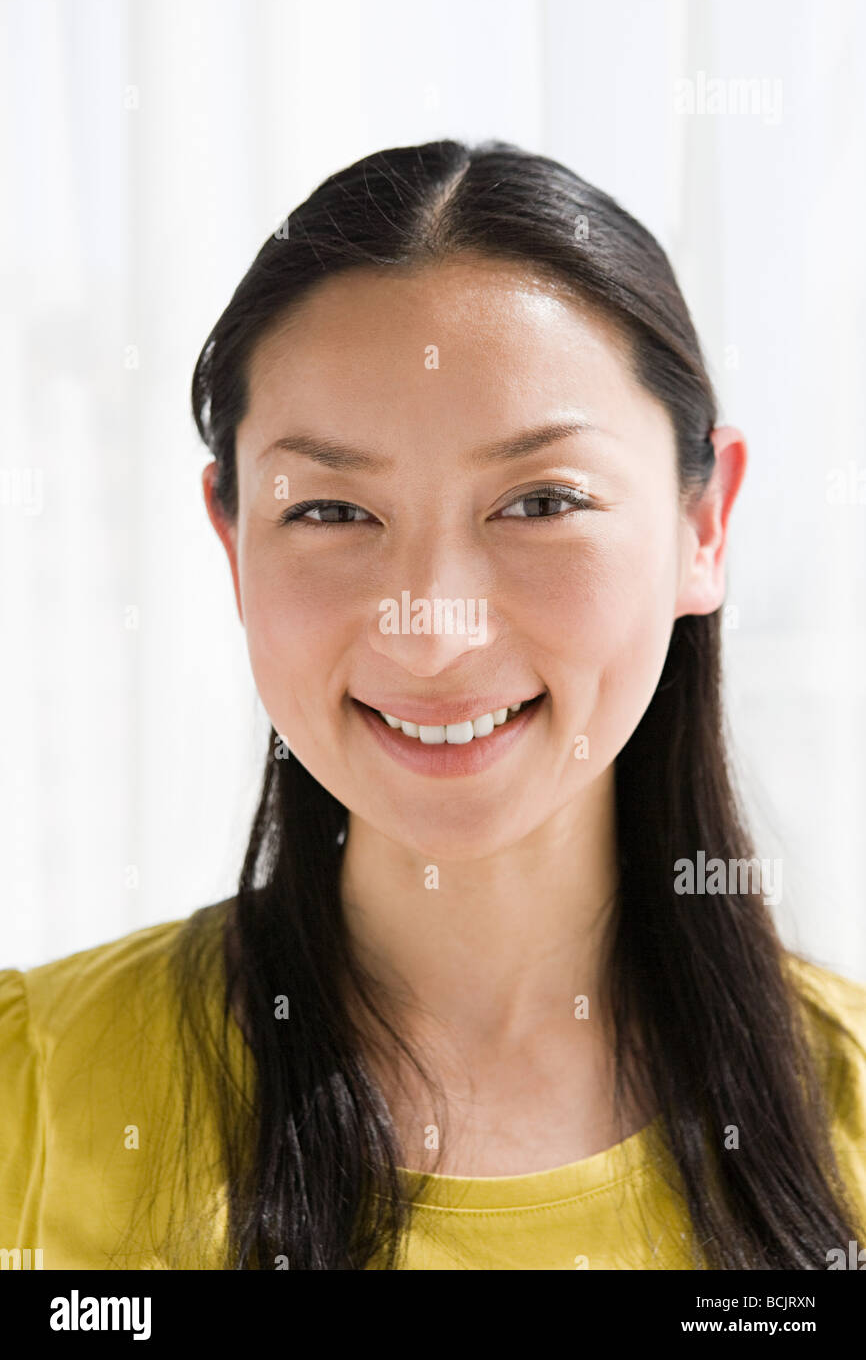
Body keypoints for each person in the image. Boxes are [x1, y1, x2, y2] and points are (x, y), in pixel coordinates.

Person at [2, 139, 865, 1271]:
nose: (433, 626)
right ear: (231, 544)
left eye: (541, 500)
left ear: (702, 526)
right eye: (327, 511)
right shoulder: (34, 1096)